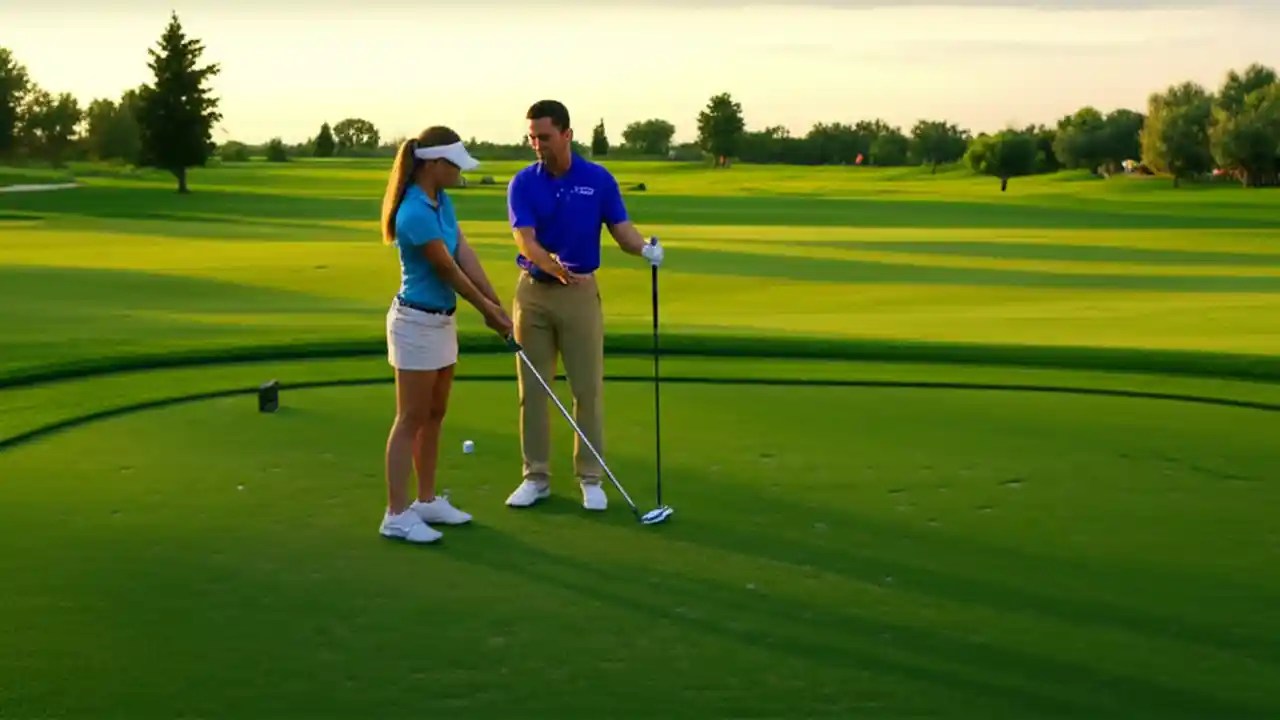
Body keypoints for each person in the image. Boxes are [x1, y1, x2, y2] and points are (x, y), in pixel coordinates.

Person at [503, 100, 665, 511]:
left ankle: (590, 477)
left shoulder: (598, 180)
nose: (536, 144)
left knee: (586, 389)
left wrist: (646, 250)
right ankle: (535, 476)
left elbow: (623, 232)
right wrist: (551, 267)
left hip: (579, 294)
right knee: (534, 391)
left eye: (544, 136)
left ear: (567, 134)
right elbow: (526, 239)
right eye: (532, 137)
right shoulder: (522, 182)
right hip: (534, 294)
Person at [378, 126, 513, 543]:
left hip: (440, 322)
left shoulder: (441, 201)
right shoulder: (414, 211)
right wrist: (487, 312)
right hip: (415, 323)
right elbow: (446, 269)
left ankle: (427, 499)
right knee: (410, 418)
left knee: (435, 415)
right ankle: (396, 513)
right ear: (435, 165)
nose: (461, 173)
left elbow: (464, 253)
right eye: (456, 166)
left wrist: (496, 302)